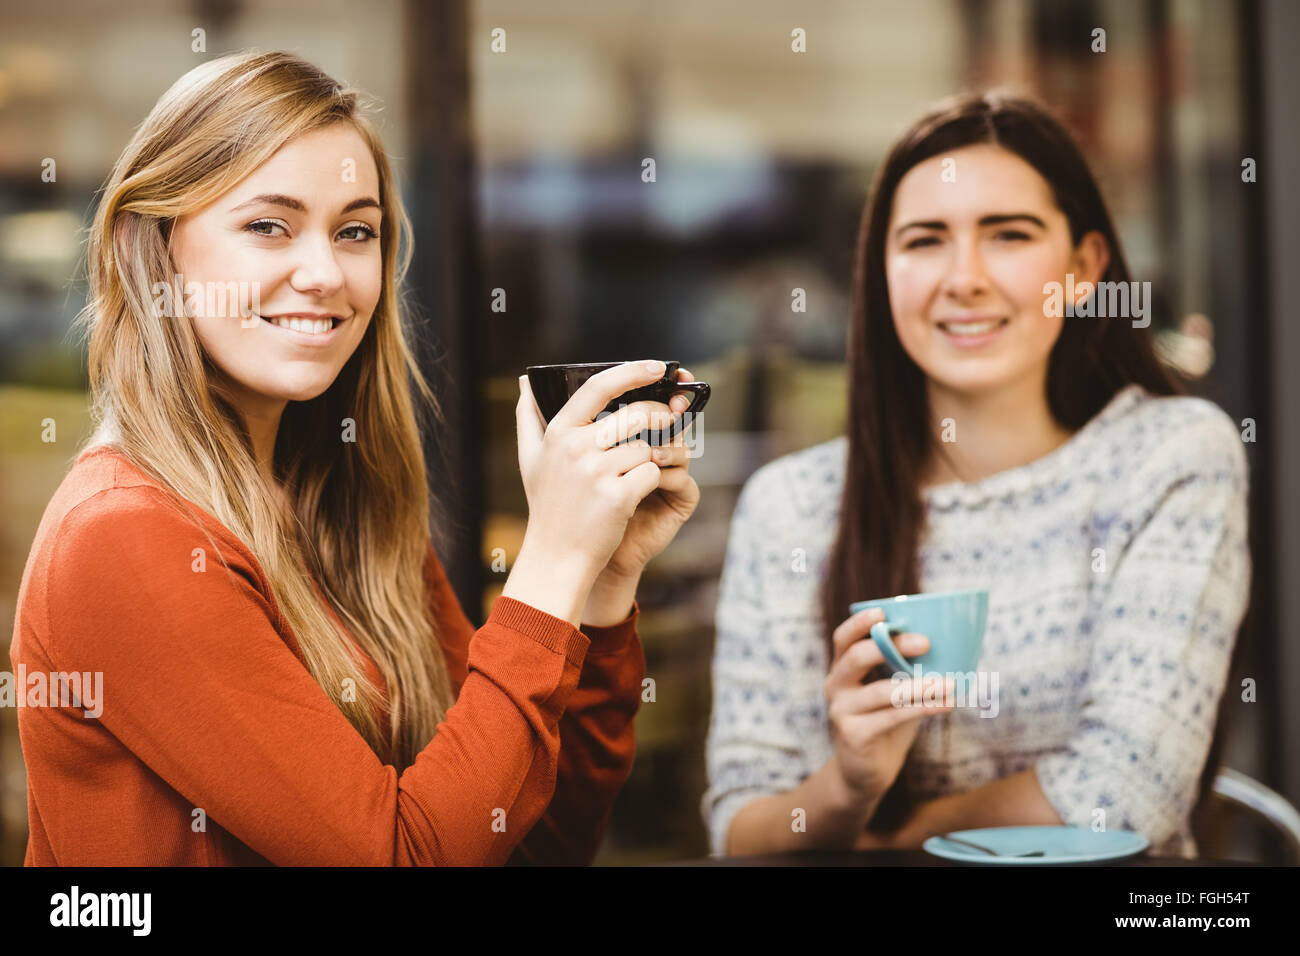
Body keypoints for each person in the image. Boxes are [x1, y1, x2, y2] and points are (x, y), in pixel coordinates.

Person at [11, 50, 700, 866]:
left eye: (355, 231)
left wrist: (600, 583)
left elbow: (531, 842)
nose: (325, 273)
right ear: (154, 249)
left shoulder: (352, 508)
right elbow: (398, 856)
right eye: (269, 225)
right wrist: (550, 561)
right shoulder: (123, 534)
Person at [702, 90, 1250, 860]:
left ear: (1085, 267)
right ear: (882, 273)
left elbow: (1125, 792)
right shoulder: (792, 507)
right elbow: (740, 832)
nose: (964, 277)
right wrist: (849, 786)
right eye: (925, 240)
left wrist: (891, 834)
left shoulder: (1169, 457)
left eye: (1009, 235)